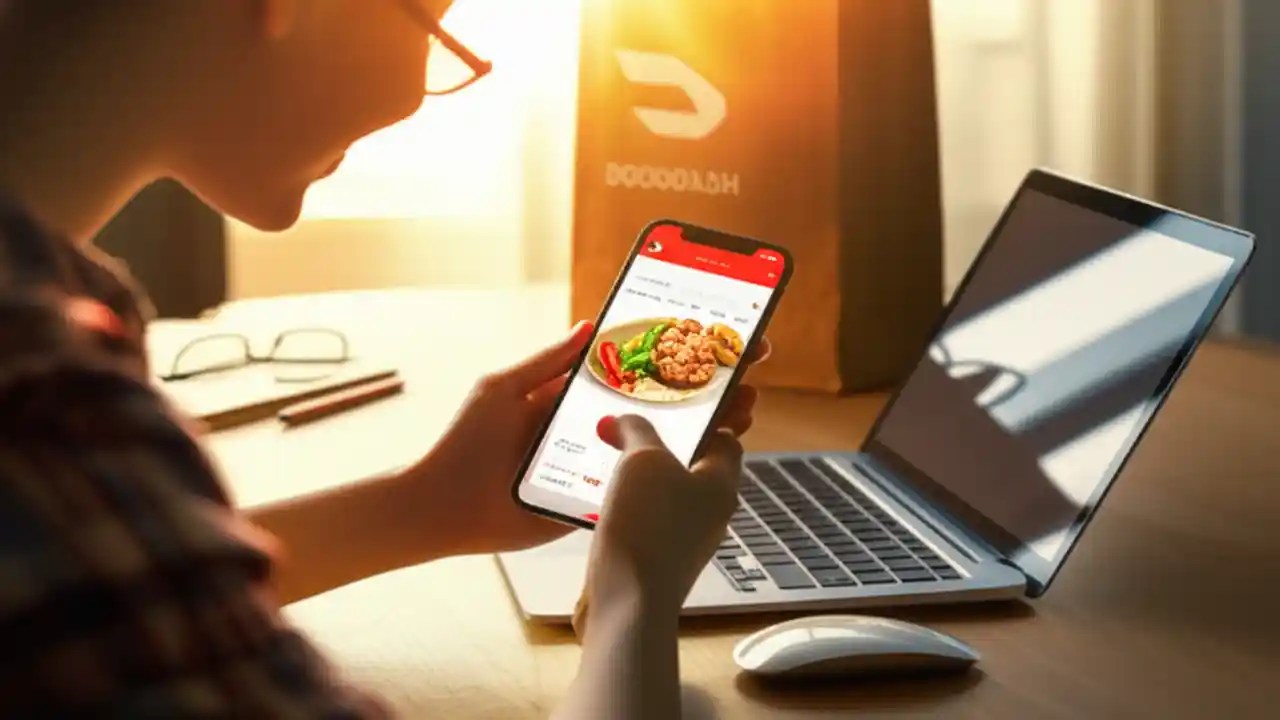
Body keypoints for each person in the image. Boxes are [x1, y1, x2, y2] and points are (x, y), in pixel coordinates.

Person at [0, 1, 767, 717]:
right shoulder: (46, 404)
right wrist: (636, 597)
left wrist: (430, 505)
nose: (417, 97)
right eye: (433, 26)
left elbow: (91, 598)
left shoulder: (52, 345)